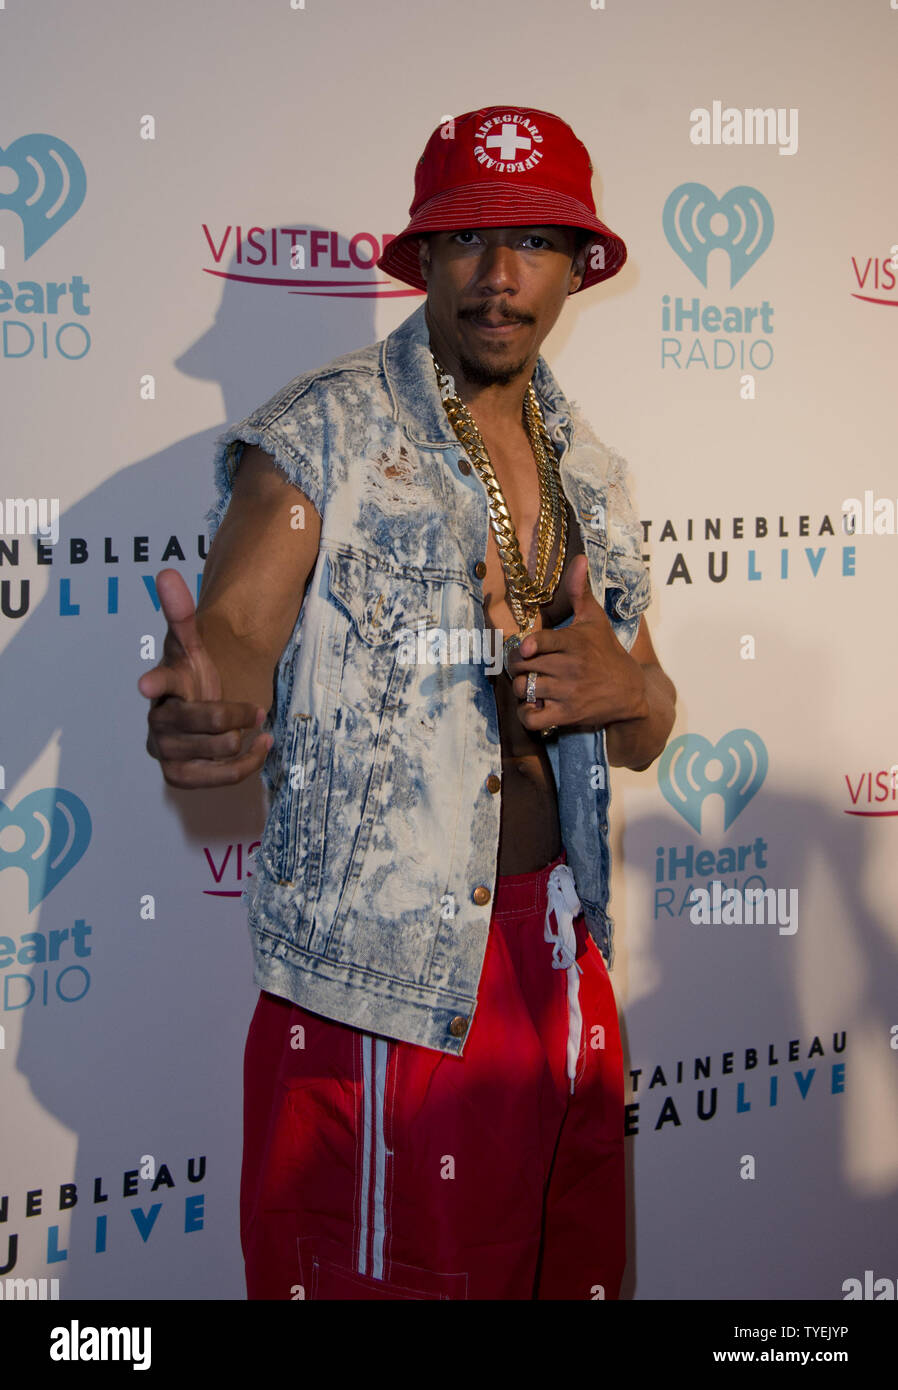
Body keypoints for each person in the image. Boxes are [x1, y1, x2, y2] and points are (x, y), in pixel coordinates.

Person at [139, 105, 676, 1301]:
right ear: (421, 260)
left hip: (558, 961)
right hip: (380, 985)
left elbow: (650, 722)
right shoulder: (322, 434)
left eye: (534, 240)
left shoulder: (593, 467)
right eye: (468, 241)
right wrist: (204, 699)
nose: (499, 277)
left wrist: (624, 687)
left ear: (577, 267)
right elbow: (230, 632)